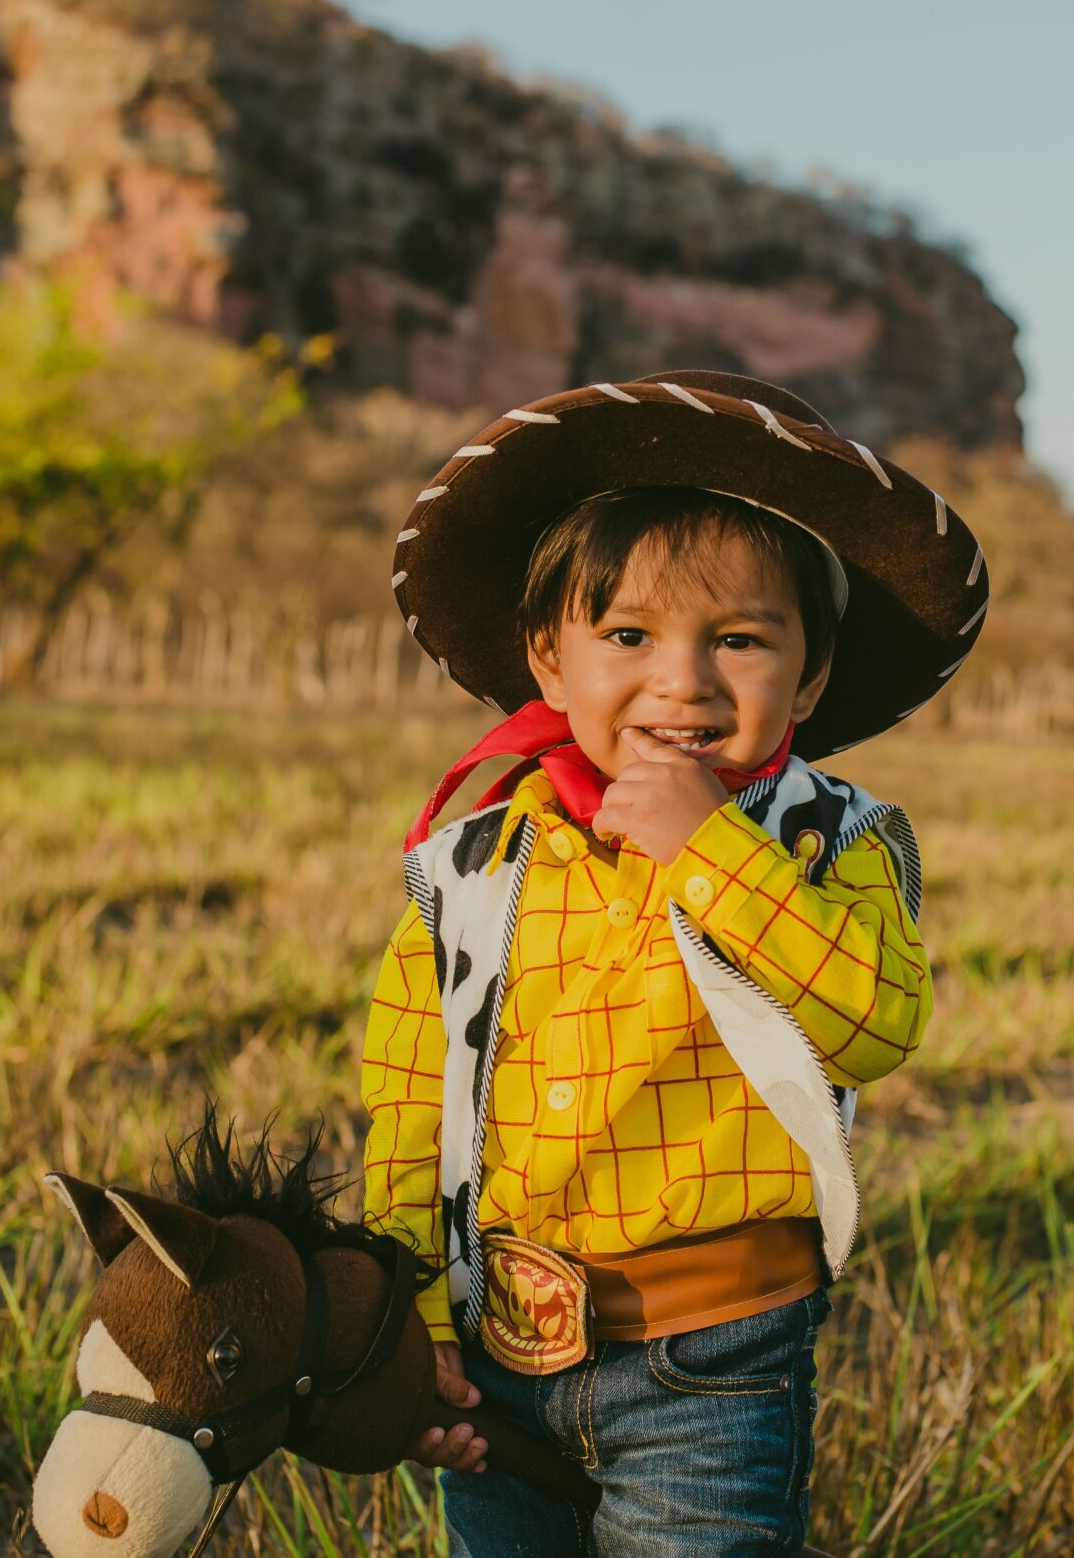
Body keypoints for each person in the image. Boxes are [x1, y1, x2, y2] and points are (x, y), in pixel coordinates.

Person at [358, 370, 990, 1556]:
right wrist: (416, 1318)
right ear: (550, 661)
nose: (684, 679)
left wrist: (713, 846)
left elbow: (874, 1022)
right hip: (499, 1348)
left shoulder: (832, 843)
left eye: (739, 640)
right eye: (629, 634)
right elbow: (412, 1098)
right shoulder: (471, 863)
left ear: (806, 678)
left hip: (714, 1358)